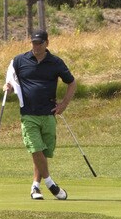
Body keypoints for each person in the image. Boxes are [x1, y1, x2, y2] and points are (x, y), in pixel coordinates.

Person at [7, 28, 76, 200]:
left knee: (43, 153)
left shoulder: (56, 62)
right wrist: (8, 87)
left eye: (40, 43)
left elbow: (72, 83)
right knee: (35, 148)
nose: (36, 46)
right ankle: (51, 184)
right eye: (34, 43)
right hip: (28, 114)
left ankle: (35, 187)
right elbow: (10, 79)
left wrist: (64, 104)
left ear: (47, 43)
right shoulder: (19, 61)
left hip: (48, 115)